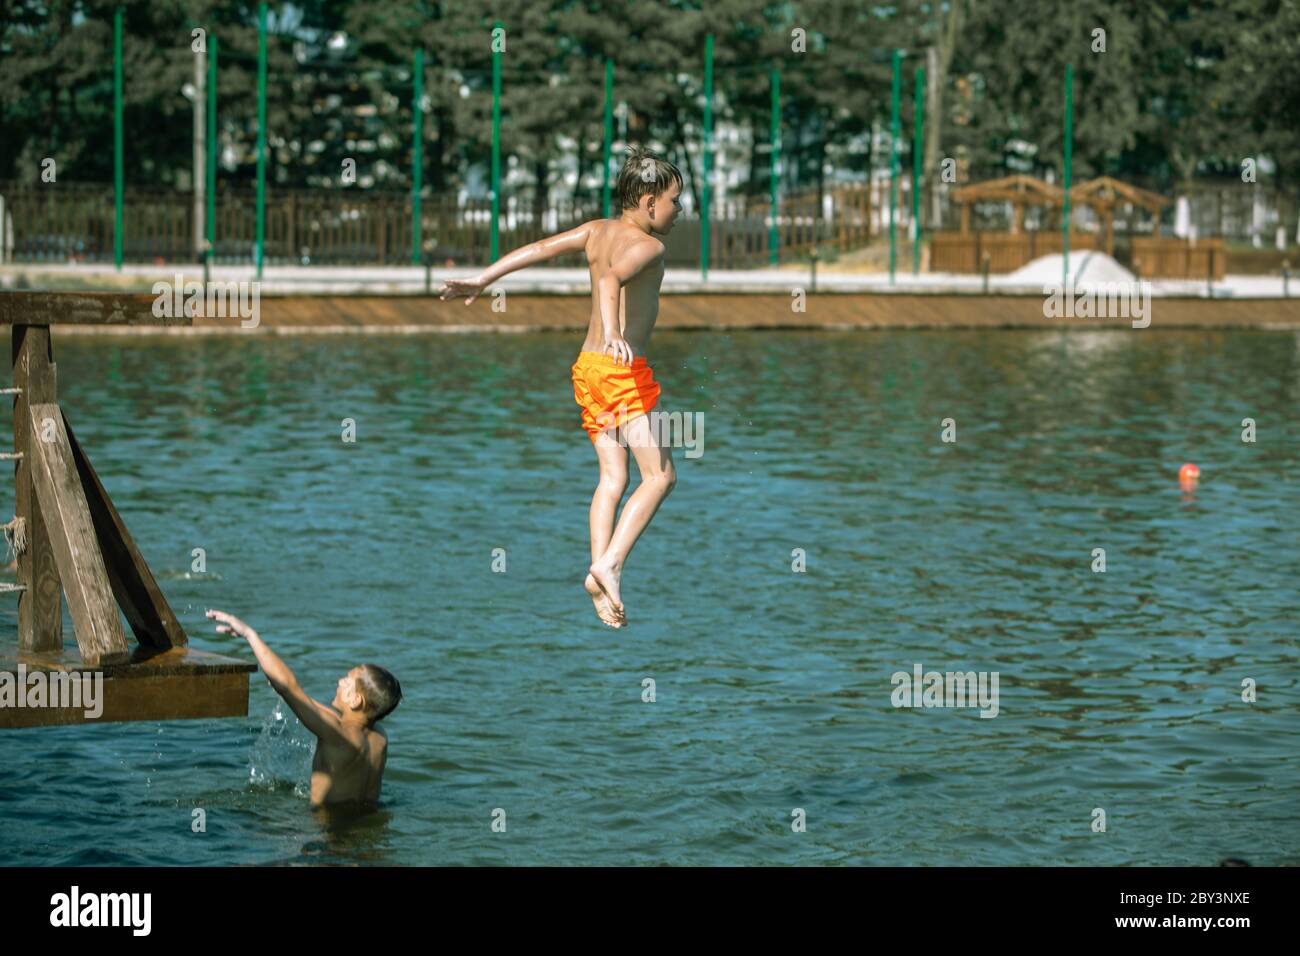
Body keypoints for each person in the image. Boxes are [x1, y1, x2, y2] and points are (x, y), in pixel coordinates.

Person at [440, 145, 683, 628]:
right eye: (676, 200)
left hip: (588, 368)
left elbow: (539, 249)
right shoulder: (650, 246)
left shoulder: (597, 231)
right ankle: (611, 563)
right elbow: (611, 280)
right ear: (650, 200)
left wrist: (484, 278)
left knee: (613, 480)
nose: (680, 211)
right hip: (618, 369)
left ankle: (599, 573)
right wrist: (615, 332)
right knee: (660, 477)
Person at [206, 609, 400, 808]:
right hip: (366, 830)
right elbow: (316, 708)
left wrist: (249, 634)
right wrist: (293, 697)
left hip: (329, 831)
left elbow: (288, 686)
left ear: (355, 700)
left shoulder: (337, 735)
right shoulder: (379, 737)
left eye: (346, 680)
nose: (339, 681)